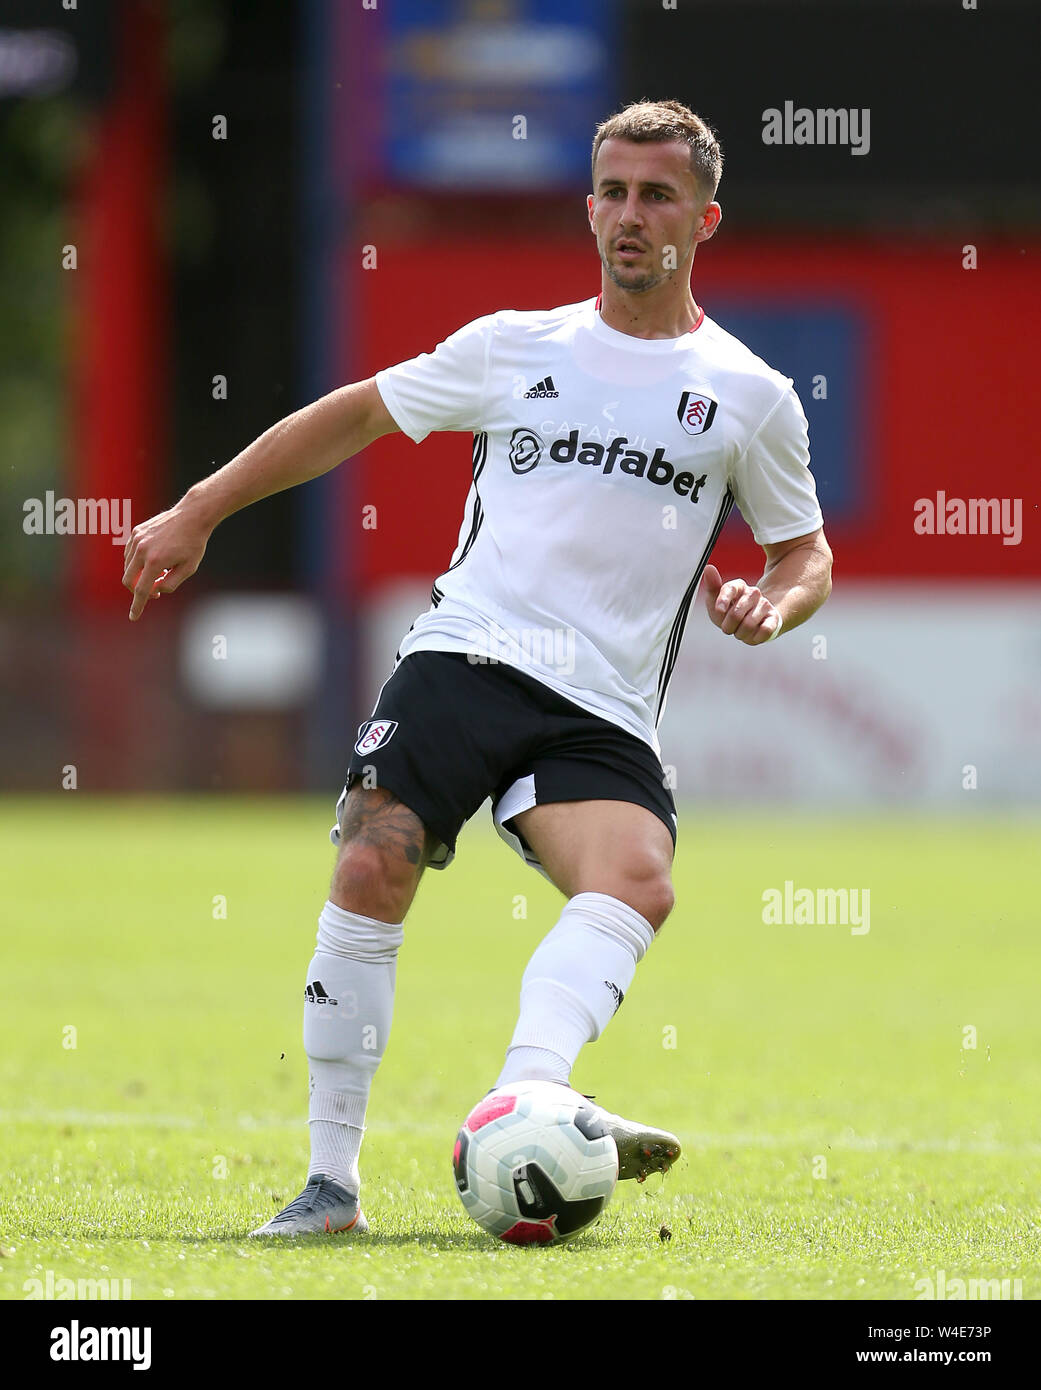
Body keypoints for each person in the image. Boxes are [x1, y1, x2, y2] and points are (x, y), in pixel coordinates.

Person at [123, 99, 832, 1237]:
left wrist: (773, 601)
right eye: (612, 192)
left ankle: (528, 1095)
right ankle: (330, 1184)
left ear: (706, 218)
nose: (629, 217)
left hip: (600, 705)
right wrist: (200, 507)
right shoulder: (516, 345)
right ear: (587, 206)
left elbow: (805, 552)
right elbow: (355, 416)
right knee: (373, 856)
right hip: (470, 655)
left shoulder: (748, 396)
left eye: (656, 197)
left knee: (638, 881)